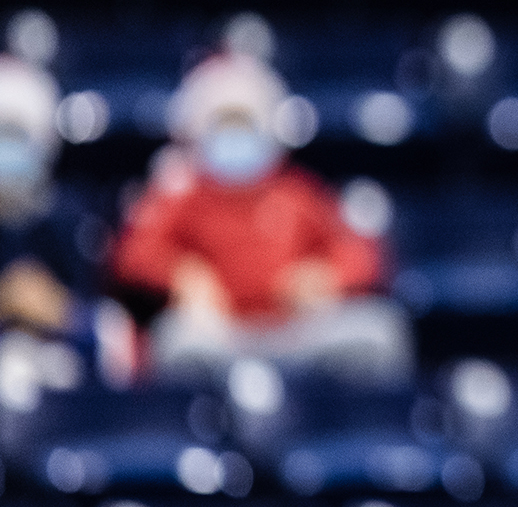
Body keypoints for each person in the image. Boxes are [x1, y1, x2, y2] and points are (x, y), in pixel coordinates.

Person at [109, 51, 412, 386]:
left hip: (296, 333)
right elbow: (131, 257)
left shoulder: (296, 191)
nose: (235, 137)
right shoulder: (180, 194)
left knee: (380, 330)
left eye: (244, 125)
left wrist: (328, 277)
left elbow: (363, 255)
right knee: (175, 341)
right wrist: (180, 275)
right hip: (222, 337)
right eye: (225, 124)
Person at [0, 55, 94, 395]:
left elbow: (99, 324)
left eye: (15, 135)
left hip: (56, 358)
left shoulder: (66, 217)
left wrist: (61, 311)